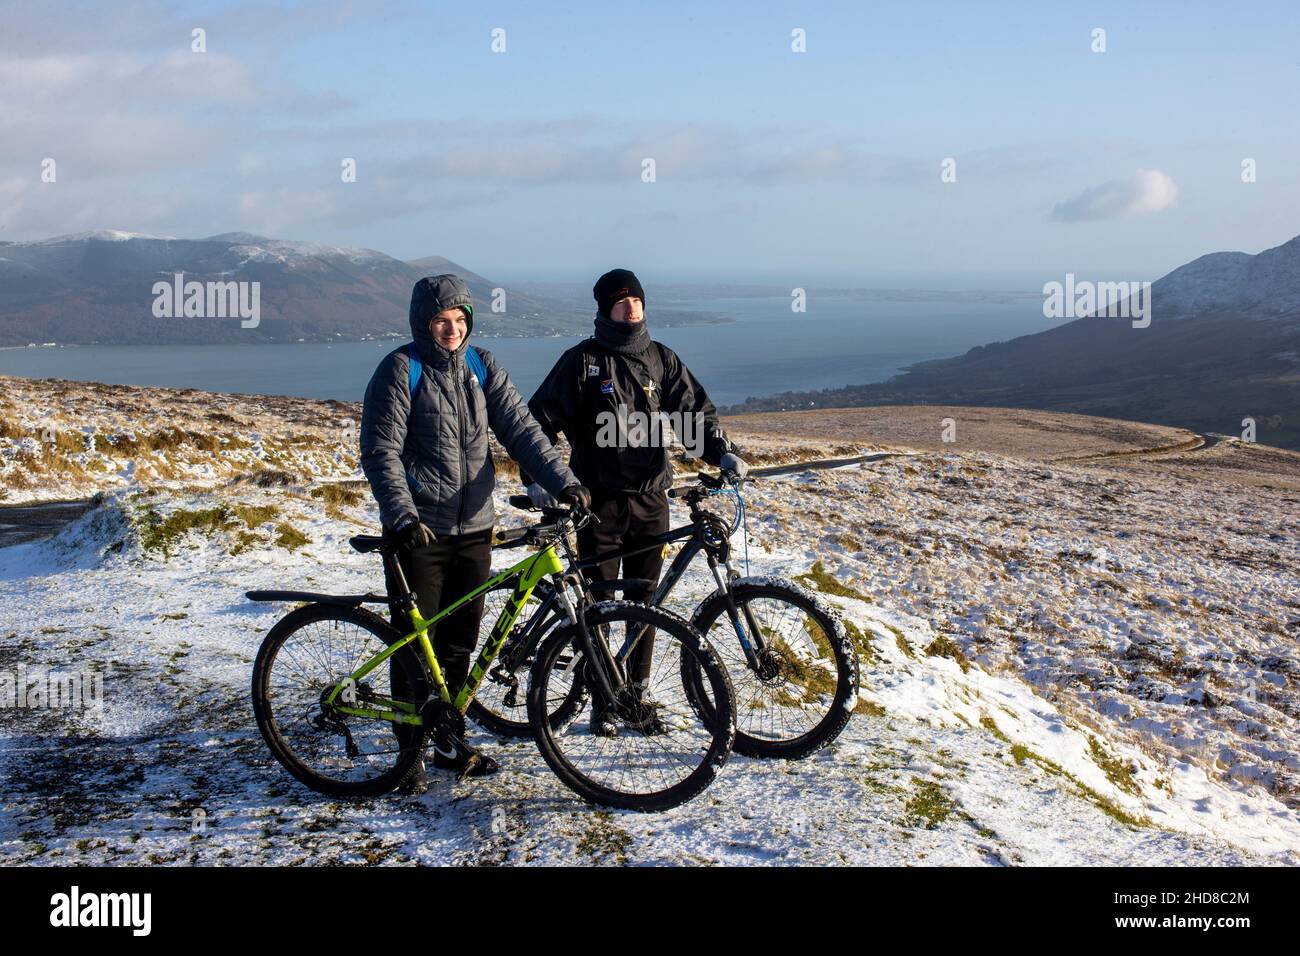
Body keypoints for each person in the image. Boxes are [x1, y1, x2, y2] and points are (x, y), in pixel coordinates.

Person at [360, 274, 589, 789]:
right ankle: (409, 751)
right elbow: (380, 452)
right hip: (420, 531)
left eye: (460, 320)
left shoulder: (482, 366)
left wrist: (566, 482)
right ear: (424, 322)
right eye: (442, 320)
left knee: (461, 644)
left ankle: (448, 741)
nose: (452, 329)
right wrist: (402, 516)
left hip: (475, 528)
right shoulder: (401, 369)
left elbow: (523, 432)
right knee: (419, 645)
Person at [520, 268, 748, 735]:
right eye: (621, 303)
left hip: (650, 500)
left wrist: (720, 450)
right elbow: (538, 423)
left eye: (637, 302)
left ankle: (637, 694)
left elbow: (690, 416)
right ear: (605, 309)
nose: (631, 309)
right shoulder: (580, 362)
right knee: (600, 604)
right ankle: (605, 699)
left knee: (648, 600)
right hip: (597, 504)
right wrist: (538, 477)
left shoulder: (660, 359)